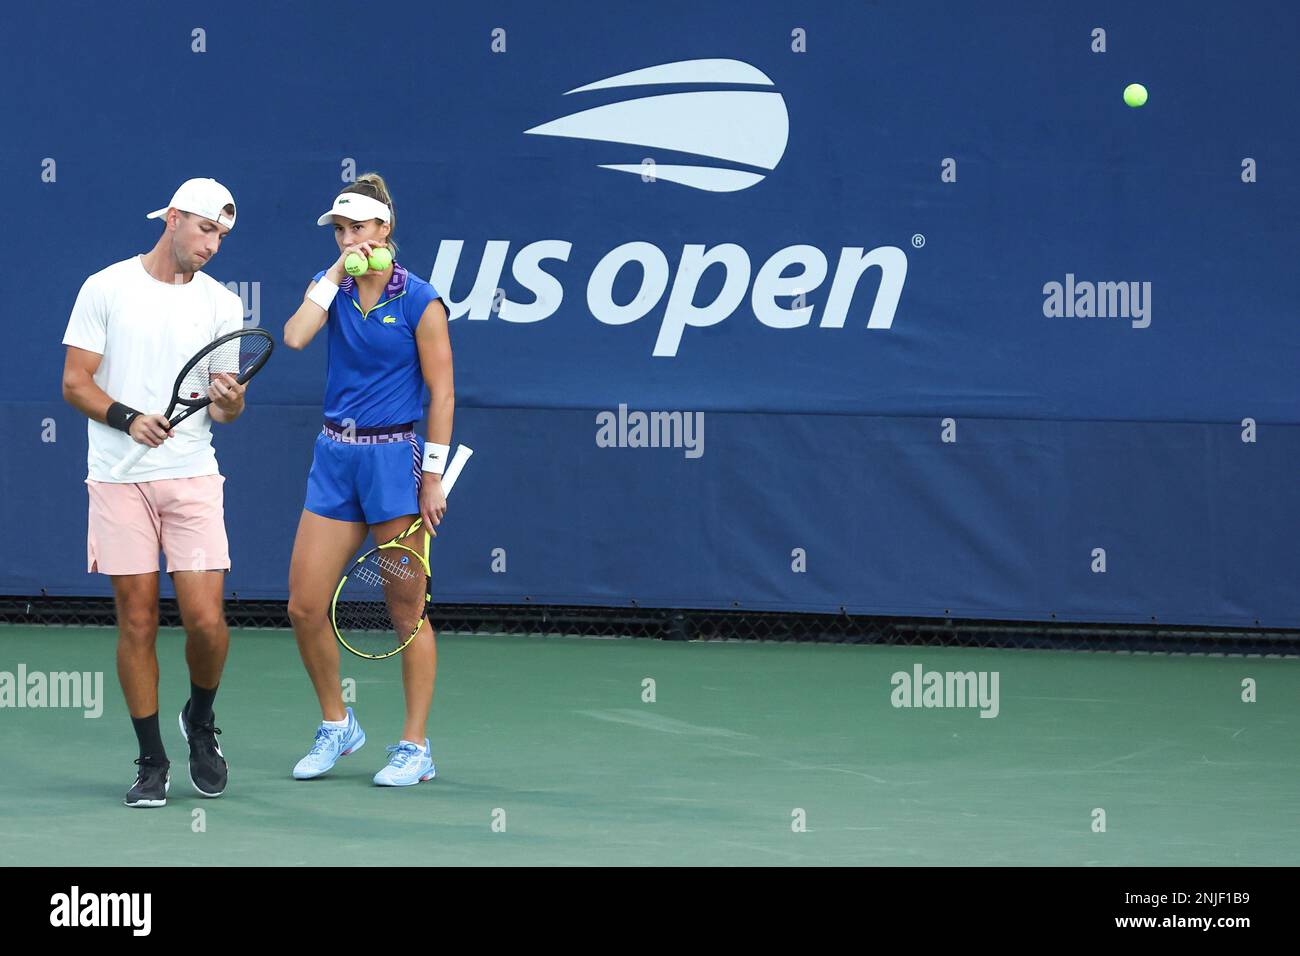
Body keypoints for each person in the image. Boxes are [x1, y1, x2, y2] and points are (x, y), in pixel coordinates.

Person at [60, 178, 249, 807]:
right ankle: (151, 759)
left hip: (192, 473)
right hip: (117, 477)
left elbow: (225, 411)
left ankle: (200, 718)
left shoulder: (222, 304)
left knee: (206, 620)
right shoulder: (105, 287)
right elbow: (74, 382)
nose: (213, 245)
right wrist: (127, 417)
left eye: (222, 236)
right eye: (205, 230)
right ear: (172, 219)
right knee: (137, 619)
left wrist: (232, 400)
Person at [282, 173, 454, 786]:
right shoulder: (332, 288)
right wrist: (333, 277)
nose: (348, 239)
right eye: (339, 230)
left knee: (406, 612)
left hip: (392, 462)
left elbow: (443, 392)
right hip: (335, 456)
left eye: (358, 228)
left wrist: (430, 477)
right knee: (304, 605)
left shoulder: (421, 300)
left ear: (386, 230)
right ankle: (337, 724)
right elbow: (295, 337)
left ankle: (415, 746)